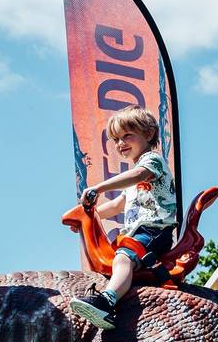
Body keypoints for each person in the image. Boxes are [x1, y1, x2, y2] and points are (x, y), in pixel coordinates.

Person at [69, 105, 178, 330]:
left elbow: (139, 174)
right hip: (139, 232)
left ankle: (107, 301)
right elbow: (118, 205)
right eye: (116, 139)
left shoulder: (152, 162)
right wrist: (87, 216)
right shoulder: (134, 180)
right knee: (116, 255)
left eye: (127, 135)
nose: (120, 144)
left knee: (123, 258)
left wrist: (98, 188)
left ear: (148, 134)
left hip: (154, 230)